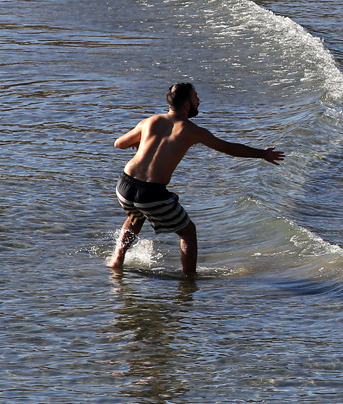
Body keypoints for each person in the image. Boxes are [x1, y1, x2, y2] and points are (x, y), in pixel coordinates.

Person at [110, 82, 285, 275]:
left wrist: (140, 142)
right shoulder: (193, 130)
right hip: (151, 193)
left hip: (124, 186)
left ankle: (117, 259)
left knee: (136, 216)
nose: (198, 100)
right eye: (195, 97)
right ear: (187, 104)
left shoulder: (150, 122)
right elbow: (229, 148)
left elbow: (119, 144)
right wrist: (262, 154)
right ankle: (188, 281)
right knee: (188, 233)